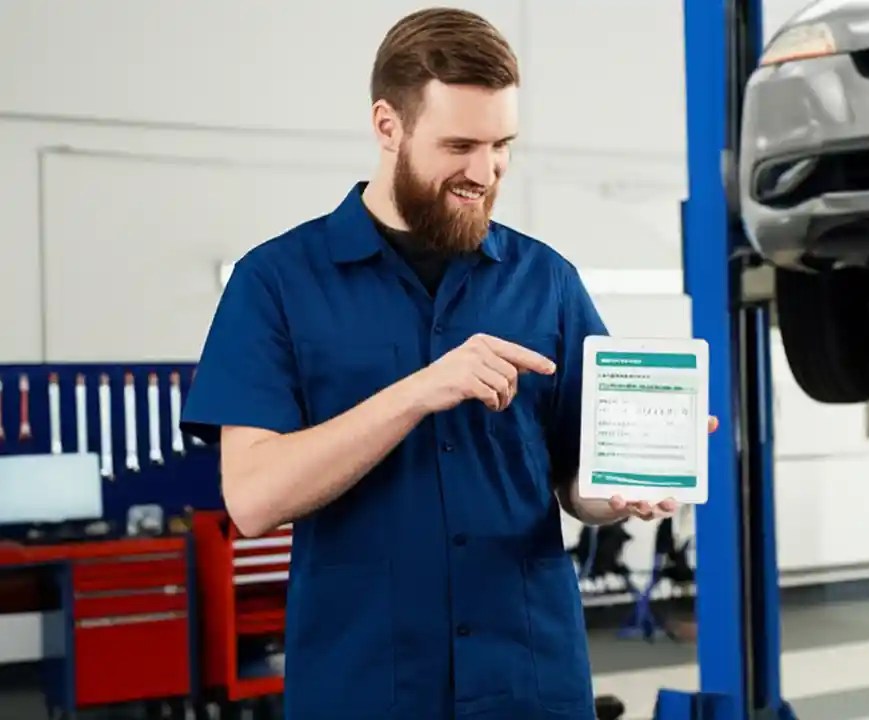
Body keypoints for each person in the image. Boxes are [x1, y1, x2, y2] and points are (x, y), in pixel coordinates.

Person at [180, 8, 715, 720]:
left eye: (502, 146)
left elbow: (573, 479)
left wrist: (616, 492)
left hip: (530, 682)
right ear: (386, 126)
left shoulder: (545, 281)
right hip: (365, 685)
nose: (485, 171)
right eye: (459, 144)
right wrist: (416, 394)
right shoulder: (276, 283)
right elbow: (252, 499)